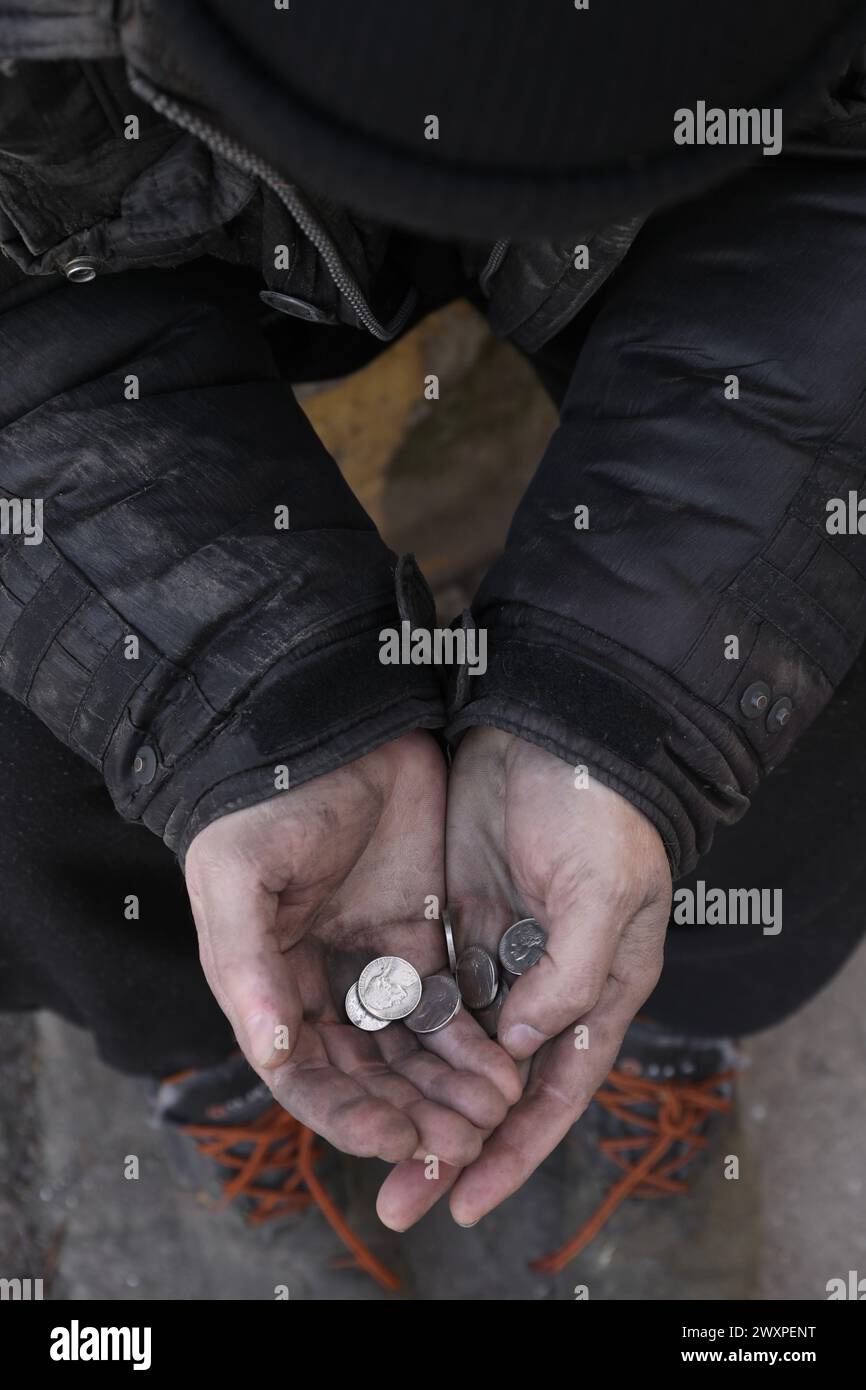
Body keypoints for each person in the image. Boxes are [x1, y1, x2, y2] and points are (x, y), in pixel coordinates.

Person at [3, 0, 866, 1289]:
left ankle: (674, 1022)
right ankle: (227, 1049)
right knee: (37, 723)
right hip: (75, 191)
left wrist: (633, 712)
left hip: (737, 161)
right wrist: (243, 712)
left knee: (797, 644)